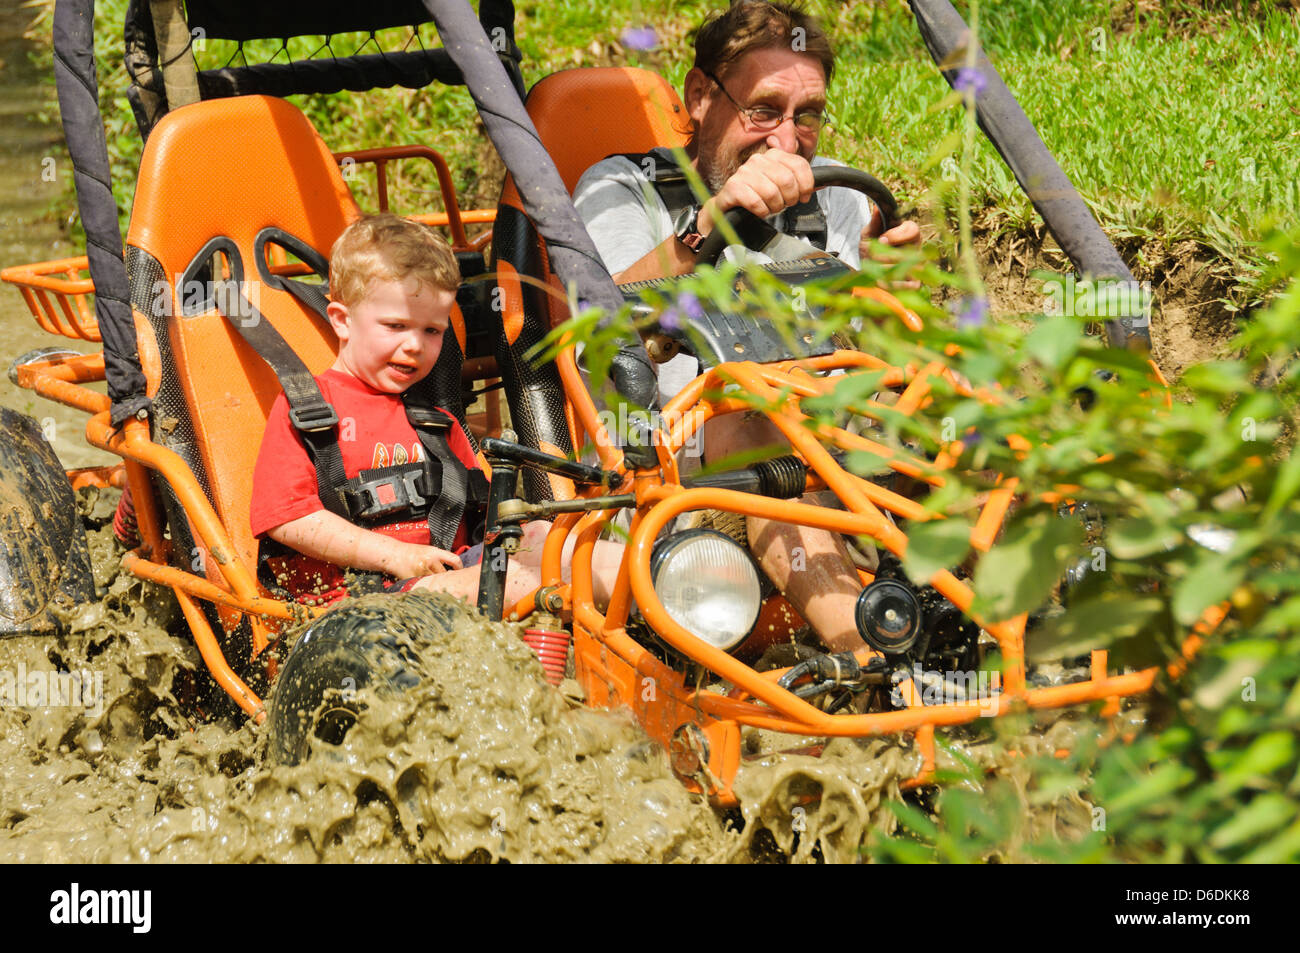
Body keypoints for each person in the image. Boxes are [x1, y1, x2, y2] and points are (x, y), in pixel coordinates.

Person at [572, 0, 921, 653]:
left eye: (807, 116)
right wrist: (711, 220)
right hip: (672, 483)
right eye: (763, 110)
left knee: (956, 408)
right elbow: (604, 327)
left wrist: (894, 287)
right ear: (701, 96)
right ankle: (880, 668)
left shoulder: (838, 200)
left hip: (829, 462)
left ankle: (1025, 637)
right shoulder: (624, 188)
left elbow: (866, 359)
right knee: (759, 422)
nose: (785, 142)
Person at [250, 214, 618, 608]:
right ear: (341, 321)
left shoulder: (435, 422)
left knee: (559, 542)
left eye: (432, 331)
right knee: (546, 578)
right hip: (362, 602)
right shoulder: (310, 411)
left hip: (450, 575)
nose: (414, 346)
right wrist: (396, 555)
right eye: (395, 326)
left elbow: (483, 524)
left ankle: (671, 605)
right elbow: (287, 518)